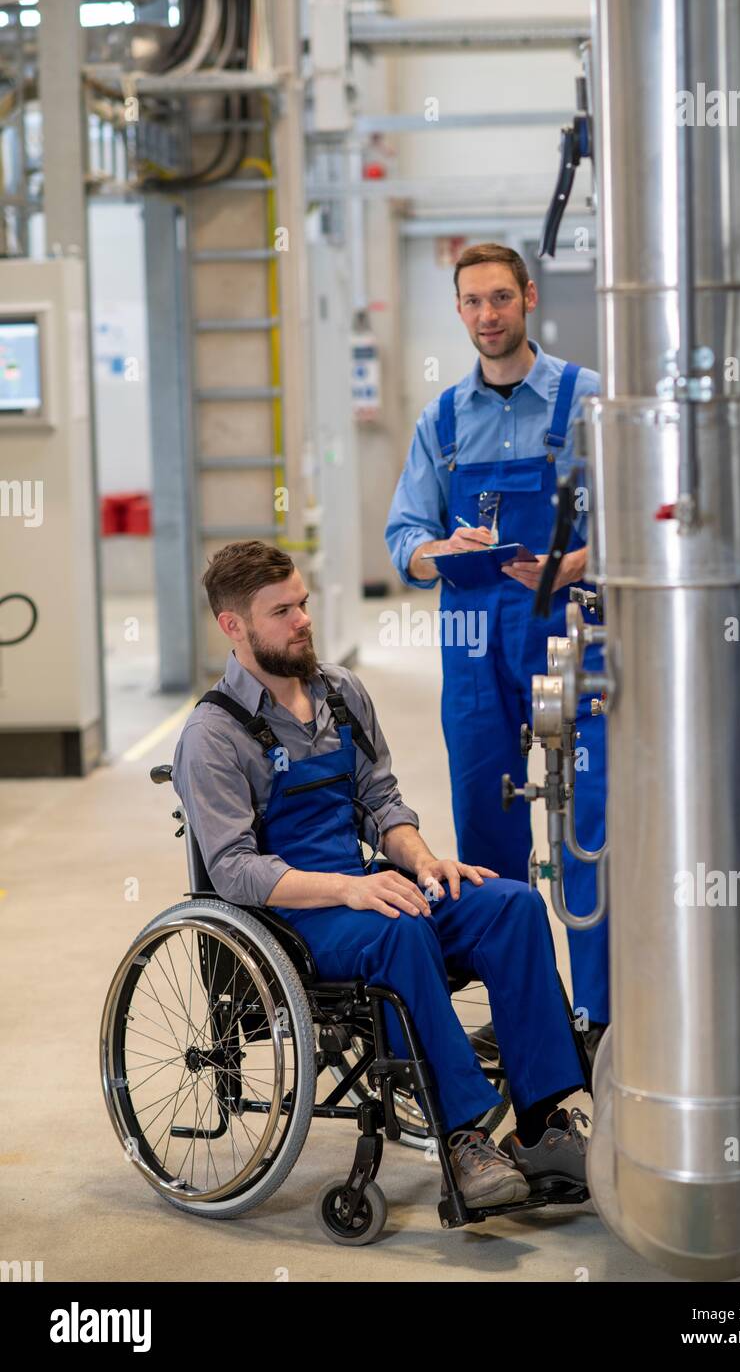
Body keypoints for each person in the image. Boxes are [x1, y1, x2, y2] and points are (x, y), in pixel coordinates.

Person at [172, 540, 591, 1211]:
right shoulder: (213, 735)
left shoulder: (340, 694)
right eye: (282, 612)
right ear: (234, 626)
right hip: (297, 916)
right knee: (398, 929)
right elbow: (234, 872)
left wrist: (423, 860)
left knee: (509, 904)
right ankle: (464, 1139)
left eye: (303, 604)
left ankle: (541, 1128)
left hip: (369, 887)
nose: (303, 620)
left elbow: (382, 804)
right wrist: (349, 888)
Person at [384, 243, 609, 1040]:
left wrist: (587, 556)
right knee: (487, 836)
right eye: (473, 302)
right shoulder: (441, 418)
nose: (487, 315)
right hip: (474, 649)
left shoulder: (586, 399)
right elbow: (403, 529)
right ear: (459, 310)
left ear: (528, 298)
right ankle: (528, 1023)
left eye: (501, 299)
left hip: (574, 637)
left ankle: (598, 1022)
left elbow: (642, 505)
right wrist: (431, 551)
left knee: (590, 830)